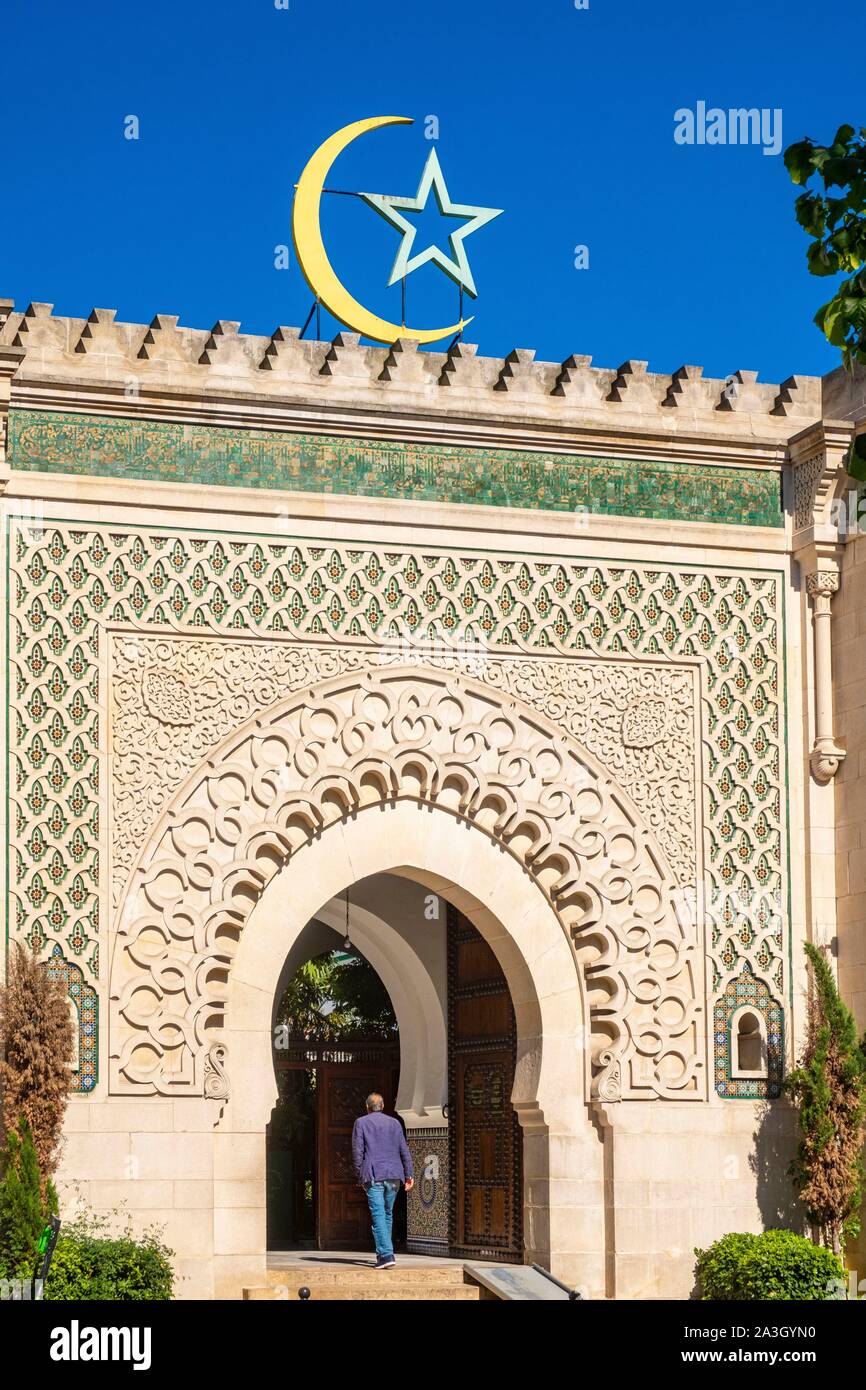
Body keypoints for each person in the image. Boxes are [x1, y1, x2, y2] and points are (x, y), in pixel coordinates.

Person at [351, 1093, 414, 1269]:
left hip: (373, 1174)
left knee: (379, 1214)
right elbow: (404, 1150)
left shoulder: (361, 1123)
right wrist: (409, 1174)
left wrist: (359, 1176)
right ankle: (384, 1253)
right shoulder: (394, 1123)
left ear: (367, 1107)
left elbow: (358, 1152)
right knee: (387, 1213)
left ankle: (386, 1255)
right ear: (383, 1105)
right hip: (394, 1174)